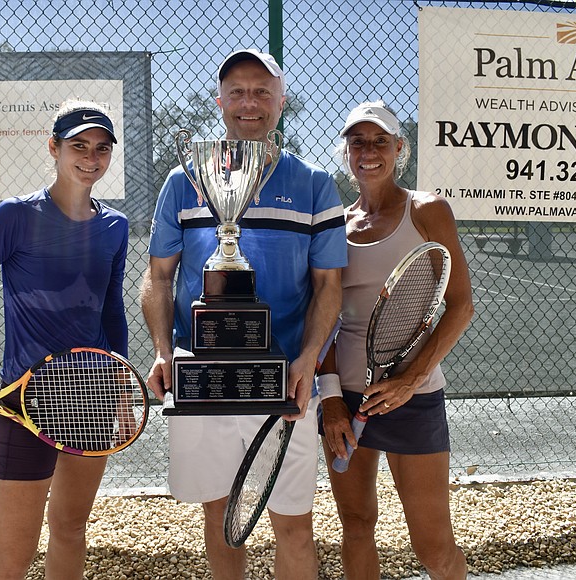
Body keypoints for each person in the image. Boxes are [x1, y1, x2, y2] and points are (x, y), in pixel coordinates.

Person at [141, 49, 347, 579]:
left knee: (293, 527)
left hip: (283, 382)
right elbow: (159, 279)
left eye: (261, 91)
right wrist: (165, 353)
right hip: (203, 377)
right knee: (220, 519)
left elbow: (329, 287)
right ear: (220, 101)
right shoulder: (182, 181)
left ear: (282, 101)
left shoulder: (314, 186)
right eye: (237, 91)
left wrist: (306, 360)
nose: (249, 103)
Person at [0, 100, 128, 579]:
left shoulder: (115, 227)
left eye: (101, 149)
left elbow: (111, 312)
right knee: (10, 559)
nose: (91, 158)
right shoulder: (15, 217)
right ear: (54, 148)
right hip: (24, 403)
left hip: (95, 400)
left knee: (69, 530)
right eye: (78, 146)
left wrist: (122, 389)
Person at [317, 100, 474, 580]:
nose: (368, 151)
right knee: (357, 525)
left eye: (380, 141)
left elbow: (461, 305)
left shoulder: (428, 210)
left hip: (414, 396)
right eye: (357, 141)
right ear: (346, 151)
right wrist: (331, 401)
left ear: (398, 148)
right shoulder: (333, 226)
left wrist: (413, 378)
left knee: (432, 545)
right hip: (346, 396)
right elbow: (320, 318)